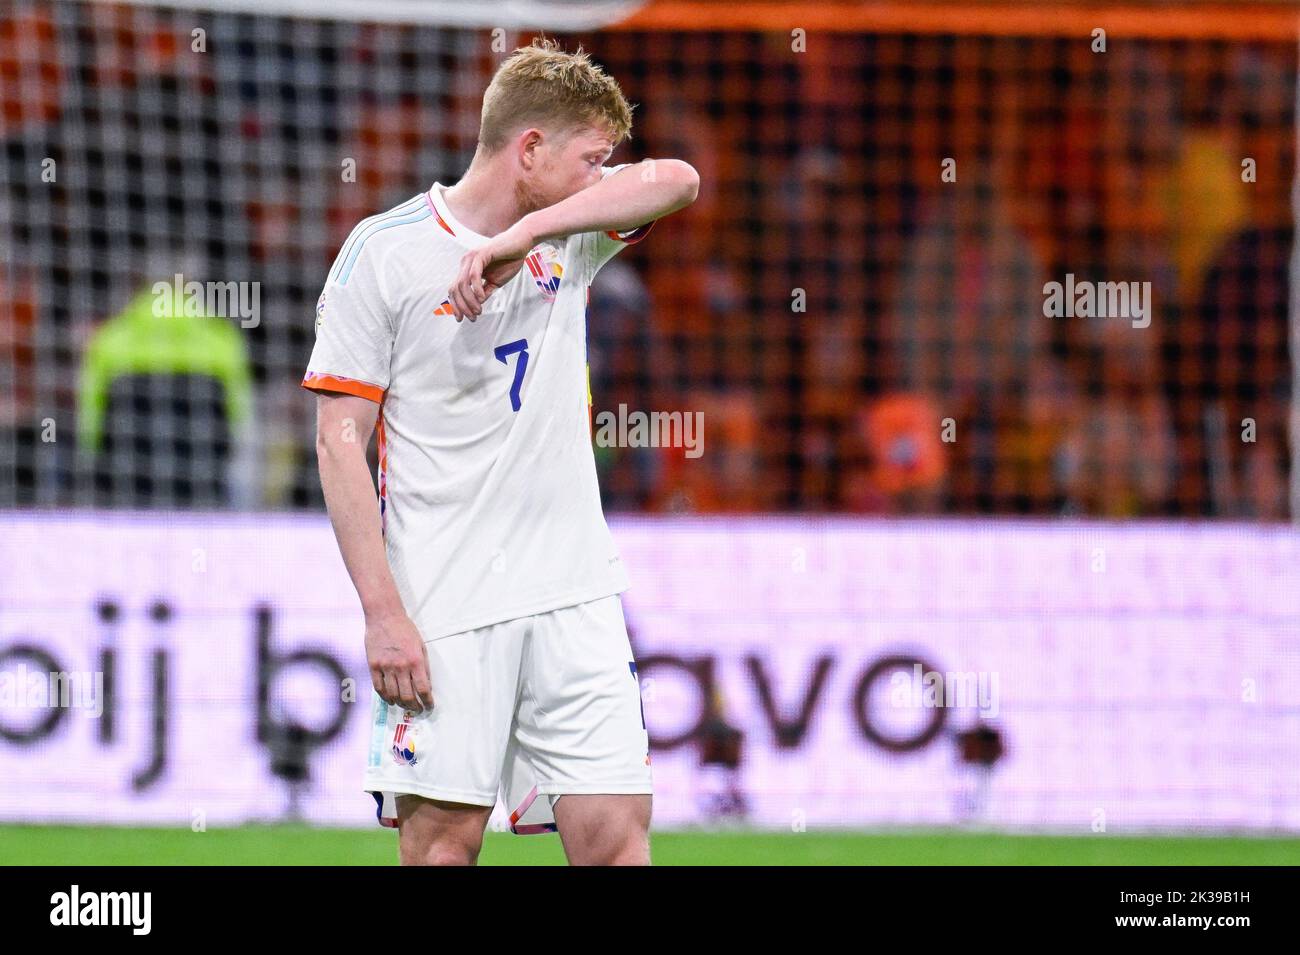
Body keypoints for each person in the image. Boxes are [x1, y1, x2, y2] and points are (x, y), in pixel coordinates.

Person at [302, 38, 698, 866]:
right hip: (445, 601)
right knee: (444, 847)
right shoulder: (384, 253)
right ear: (529, 149)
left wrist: (535, 228)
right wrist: (382, 615)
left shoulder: (573, 237)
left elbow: (678, 180)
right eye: (591, 160)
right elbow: (341, 443)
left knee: (619, 841)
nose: (603, 179)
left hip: (574, 592)